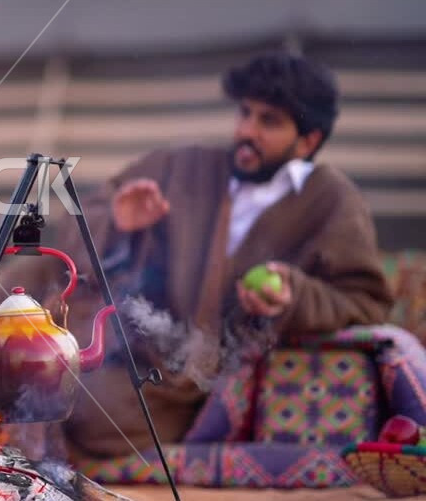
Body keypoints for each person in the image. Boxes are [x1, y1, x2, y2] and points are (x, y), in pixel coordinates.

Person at [27, 52, 393, 459]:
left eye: (268, 121)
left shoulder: (332, 201)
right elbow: (81, 215)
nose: (246, 131)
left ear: (308, 141)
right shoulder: (179, 166)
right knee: (27, 272)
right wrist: (117, 220)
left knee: (80, 410)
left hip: (179, 384)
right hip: (118, 338)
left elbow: (366, 300)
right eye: (245, 113)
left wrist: (294, 296)